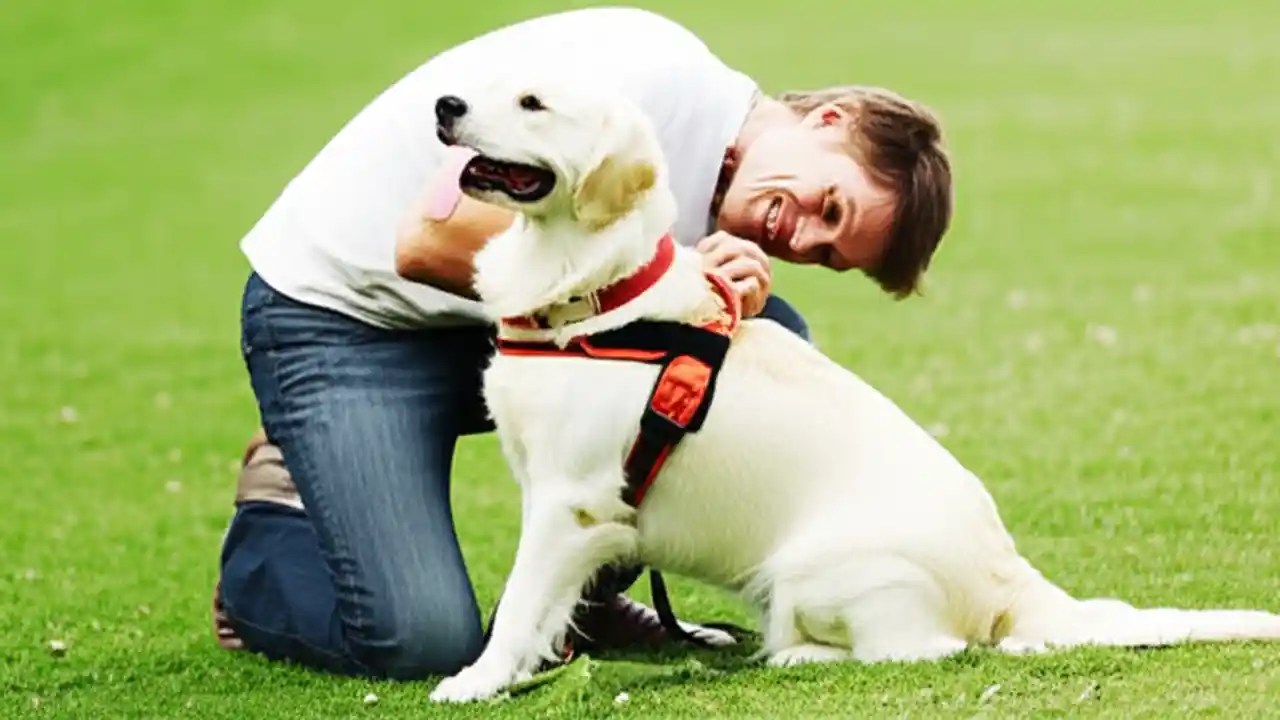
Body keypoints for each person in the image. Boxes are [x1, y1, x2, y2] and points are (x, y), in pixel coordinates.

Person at [215, 6, 953, 680]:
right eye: (830, 204)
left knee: (760, 337)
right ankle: (272, 532)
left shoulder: (730, 200)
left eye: (827, 253)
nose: (800, 235)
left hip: (499, 330)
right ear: (829, 120)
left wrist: (708, 293)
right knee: (419, 642)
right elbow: (430, 237)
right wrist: (682, 277)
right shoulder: (649, 73)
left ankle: (580, 606)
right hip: (343, 324)